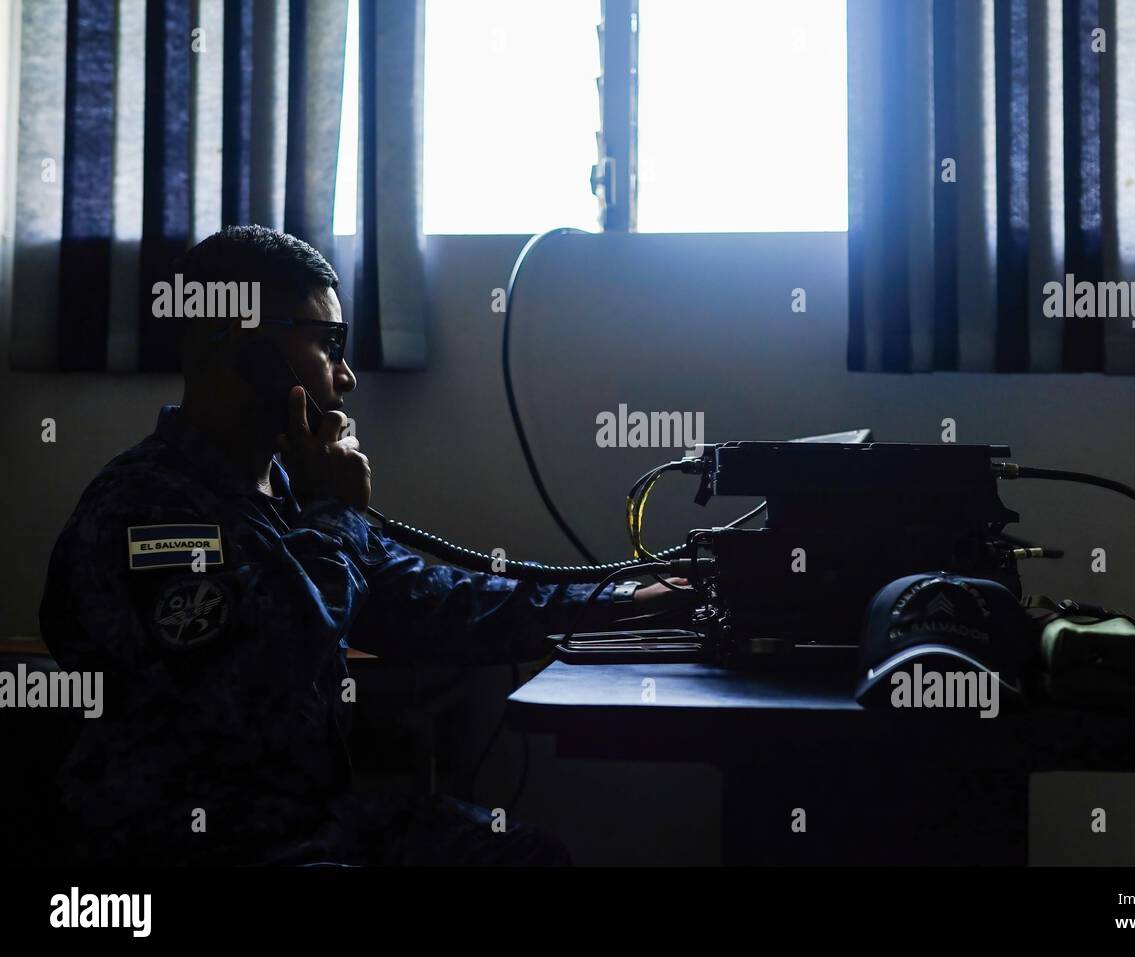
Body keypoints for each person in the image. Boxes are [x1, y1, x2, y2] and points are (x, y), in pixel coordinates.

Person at [40, 225, 685, 866]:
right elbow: (275, 667)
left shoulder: (284, 490)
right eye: (328, 345)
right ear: (248, 351)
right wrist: (338, 513)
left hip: (307, 818)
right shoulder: (144, 509)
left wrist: (624, 598)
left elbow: (433, 600)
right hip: (193, 842)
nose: (346, 377)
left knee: (524, 855)